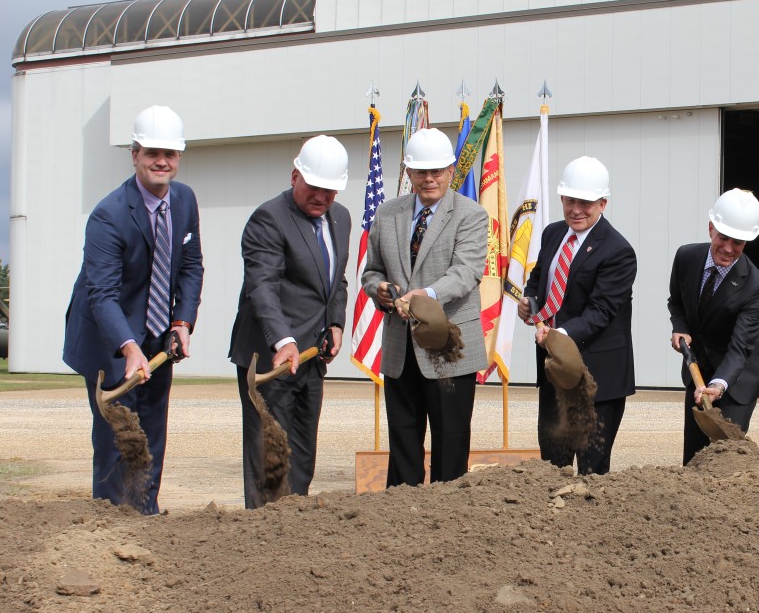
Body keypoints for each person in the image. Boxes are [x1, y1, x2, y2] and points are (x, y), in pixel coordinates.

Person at [62, 105, 204, 514]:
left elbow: (191, 266)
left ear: (179, 156)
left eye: (170, 154)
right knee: (117, 440)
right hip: (109, 338)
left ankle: (146, 513)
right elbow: (101, 295)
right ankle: (111, 525)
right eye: (152, 153)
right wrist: (128, 347)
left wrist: (181, 321)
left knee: (153, 430)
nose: (162, 161)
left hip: (159, 333)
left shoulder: (183, 199)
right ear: (135, 154)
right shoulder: (108, 216)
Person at [228, 136, 351, 508]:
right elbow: (262, 287)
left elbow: (336, 282)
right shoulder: (269, 219)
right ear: (295, 175)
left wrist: (336, 324)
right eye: (315, 189)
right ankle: (264, 533)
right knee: (270, 456)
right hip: (271, 361)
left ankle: (294, 530)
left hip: (312, 359)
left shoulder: (340, 218)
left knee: (302, 453)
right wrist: (283, 340)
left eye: (331, 192)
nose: (323, 198)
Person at [361, 128, 488, 486]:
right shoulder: (388, 214)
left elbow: (466, 272)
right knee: (403, 442)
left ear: (451, 171)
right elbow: (371, 271)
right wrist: (380, 290)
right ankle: (401, 517)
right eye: (421, 172)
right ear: (408, 172)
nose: (429, 179)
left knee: (451, 443)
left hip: (450, 347)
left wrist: (424, 297)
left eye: (437, 171)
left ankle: (448, 523)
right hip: (401, 351)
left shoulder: (471, 214)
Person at [517, 156, 637, 475]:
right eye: (570, 201)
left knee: (591, 470)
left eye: (586, 203)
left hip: (598, 377)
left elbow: (601, 312)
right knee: (551, 464)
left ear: (603, 203)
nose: (576, 210)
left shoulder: (618, 251)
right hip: (555, 372)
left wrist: (559, 336)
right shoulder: (553, 234)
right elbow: (539, 277)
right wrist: (530, 301)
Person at [667, 188, 759, 465]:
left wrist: (718, 384)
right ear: (711, 227)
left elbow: (740, 348)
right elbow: (676, 303)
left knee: (726, 454)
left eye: (737, 242)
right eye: (723, 237)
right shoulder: (686, 257)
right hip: (698, 364)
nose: (728, 248)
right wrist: (680, 329)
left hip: (739, 375)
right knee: (694, 453)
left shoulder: (755, 286)